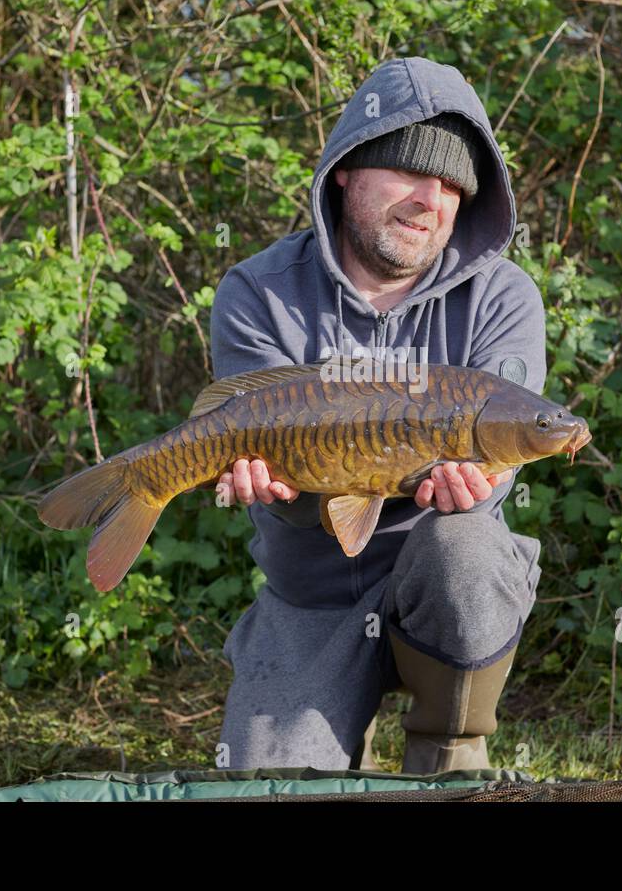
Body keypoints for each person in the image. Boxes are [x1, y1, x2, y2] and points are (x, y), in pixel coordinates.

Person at [209, 56, 547, 774]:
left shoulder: (503, 297)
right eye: (408, 173)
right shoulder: (258, 292)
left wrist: (485, 487)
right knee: (268, 787)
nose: (432, 197)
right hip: (314, 590)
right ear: (344, 170)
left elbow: (508, 449)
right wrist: (283, 489)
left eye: (453, 183)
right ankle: (326, 732)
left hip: (439, 569)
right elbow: (250, 447)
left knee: (470, 549)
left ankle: (449, 749)